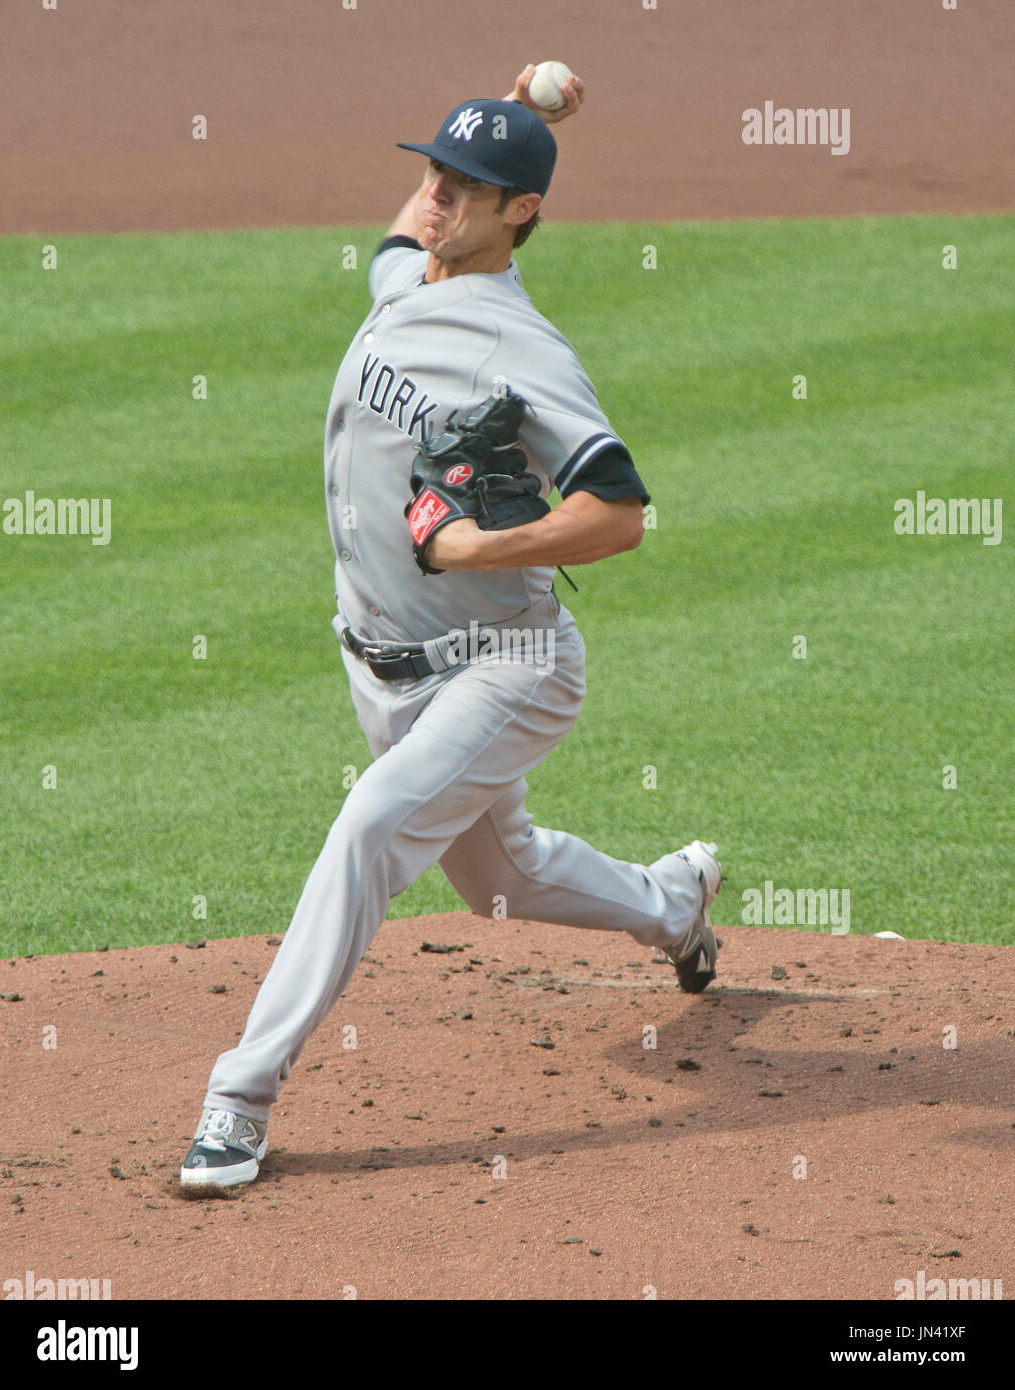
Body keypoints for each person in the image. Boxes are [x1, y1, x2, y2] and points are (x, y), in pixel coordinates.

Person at [180, 64, 722, 1189]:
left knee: (371, 825)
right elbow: (403, 233)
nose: (437, 197)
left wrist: (478, 547)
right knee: (500, 883)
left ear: (520, 212)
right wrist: (507, 112)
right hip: (383, 667)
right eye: (433, 171)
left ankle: (239, 1095)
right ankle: (673, 904)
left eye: (468, 185)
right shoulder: (408, 280)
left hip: (505, 666)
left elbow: (617, 511)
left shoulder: (517, 348)